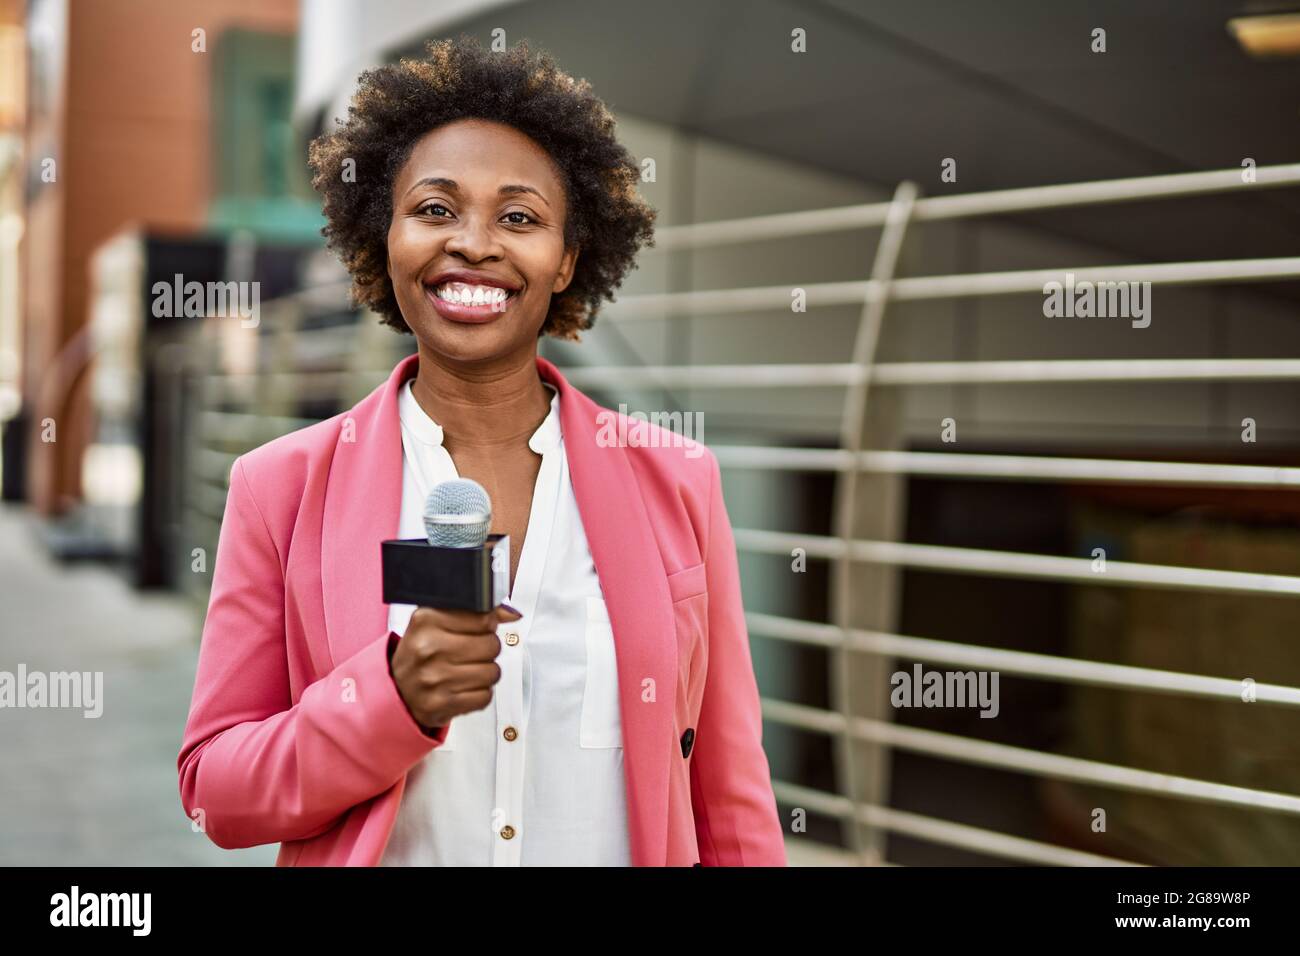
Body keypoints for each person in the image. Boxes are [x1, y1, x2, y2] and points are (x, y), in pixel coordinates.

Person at [177, 34, 786, 867]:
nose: (474, 243)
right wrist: (386, 702)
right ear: (382, 237)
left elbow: (731, 793)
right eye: (435, 209)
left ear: (568, 259)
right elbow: (216, 789)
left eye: (520, 217)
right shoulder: (279, 487)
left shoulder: (679, 480)